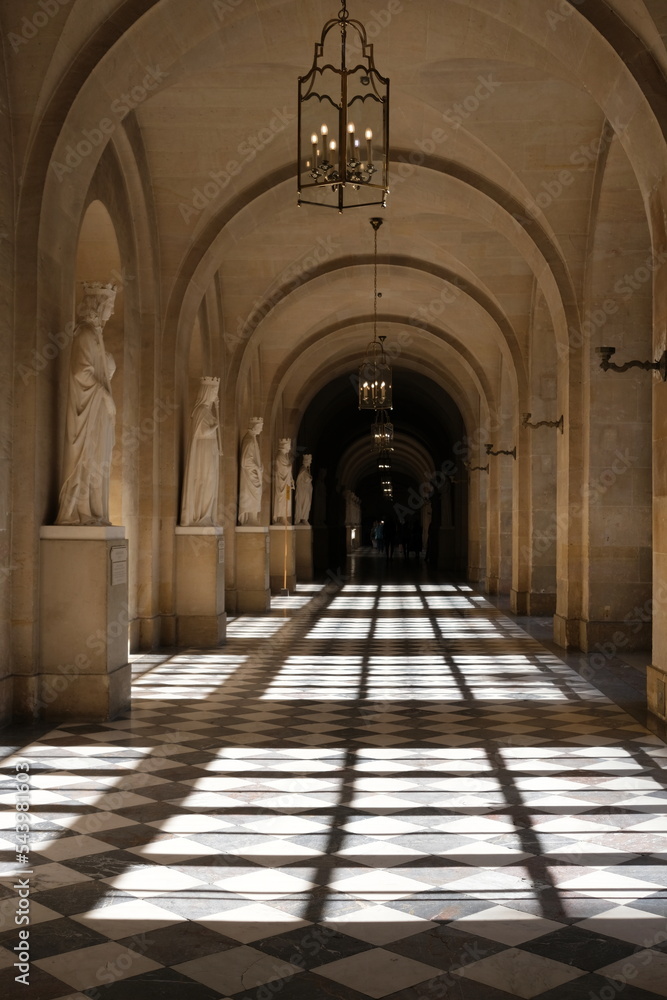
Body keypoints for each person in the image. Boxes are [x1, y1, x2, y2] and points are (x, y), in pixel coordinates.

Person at [56, 283, 117, 526]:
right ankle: (78, 512)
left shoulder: (96, 336)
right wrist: (105, 394)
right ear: (99, 305)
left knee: (97, 461)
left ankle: (93, 511)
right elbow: (81, 372)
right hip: (88, 410)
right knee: (87, 459)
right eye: (110, 306)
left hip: (97, 412)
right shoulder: (85, 334)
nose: (111, 313)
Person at [180, 376, 222, 526]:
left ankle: (207, 515)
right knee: (203, 480)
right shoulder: (200, 411)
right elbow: (201, 433)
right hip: (203, 450)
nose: (215, 395)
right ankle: (200, 515)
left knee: (211, 482)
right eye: (214, 391)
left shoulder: (208, 411)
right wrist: (215, 426)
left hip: (210, 450)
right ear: (206, 392)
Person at [238, 417, 263, 525]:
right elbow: (245, 461)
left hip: (254, 473)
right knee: (253, 494)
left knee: (257, 494)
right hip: (250, 475)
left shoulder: (253, 439)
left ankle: (253, 517)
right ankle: (250, 518)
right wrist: (257, 468)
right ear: (255, 426)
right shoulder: (249, 439)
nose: (261, 430)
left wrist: (259, 467)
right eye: (260, 427)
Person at [273, 438, 294, 523]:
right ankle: (281, 517)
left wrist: (292, 480)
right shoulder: (280, 456)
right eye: (288, 445)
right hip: (282, 483)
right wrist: (289, 467)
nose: (290, 447)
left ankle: (285, 516)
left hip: (287, 483)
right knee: (283, 498)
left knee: (287, 498)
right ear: (284, 446)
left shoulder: (286, 456)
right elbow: (282, 470)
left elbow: (288, 470)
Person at [294, 454, 313, 524]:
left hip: (306, 492)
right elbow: (306, 479)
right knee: (303, 503)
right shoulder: (303, 470)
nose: (310, 462)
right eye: (310, 461)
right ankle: (302, 518)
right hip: (303, 492)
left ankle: (304, 518)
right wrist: (309, 478)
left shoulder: (306, 470)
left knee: (306, 504)